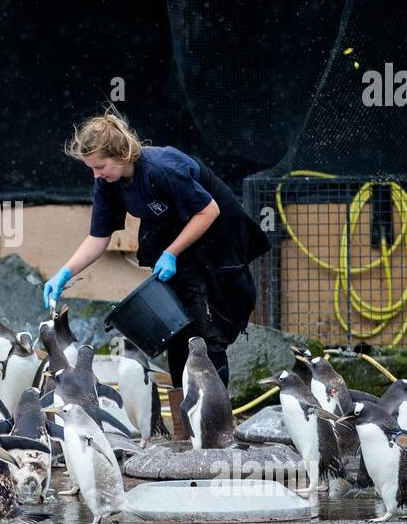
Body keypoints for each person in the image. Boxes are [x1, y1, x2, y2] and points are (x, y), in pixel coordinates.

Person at [43, 106, 269, 389]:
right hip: (172, 237)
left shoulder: (162, 168)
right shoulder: (108, 182)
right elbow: (99, 236)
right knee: (174, 328)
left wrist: (170, 253)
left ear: (122, 154)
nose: (96, 175)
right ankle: (184, 421)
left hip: (217, 235)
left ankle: (214, 421)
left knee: (206, 331)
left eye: (100, 167)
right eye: (91, 169)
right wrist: (64, 272)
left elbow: (208, 211)